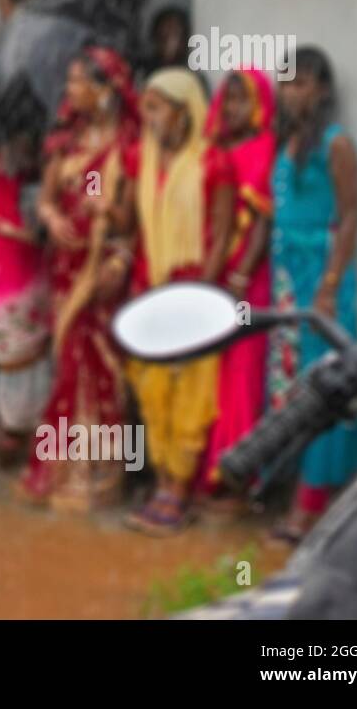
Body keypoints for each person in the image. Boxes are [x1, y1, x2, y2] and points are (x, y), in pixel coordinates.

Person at [19, 47, 139, 512]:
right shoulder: (66, 143)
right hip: (66, 266)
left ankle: (100, 474)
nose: (69, 91)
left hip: (102, 269)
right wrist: (51, 220)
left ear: (104, 91)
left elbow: (133, 220)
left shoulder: (127, 148)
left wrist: (108, 215)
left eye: (77, 82)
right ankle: (60, 469)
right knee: (69, 366)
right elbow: (47, 199)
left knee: (101, 365)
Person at [124, 67, 235, 535]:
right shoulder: (140, 160)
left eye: (156, 107)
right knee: (152, 387)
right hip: (150, 288)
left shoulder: (214, 164)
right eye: (145, 107)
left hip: (193, 292)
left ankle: (180, 488)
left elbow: (223, 233)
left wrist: (199, 298)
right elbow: (131, 224)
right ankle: (162, 479)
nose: (148, 117)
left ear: (184, 111)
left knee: (191, 388)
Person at [269, 46, 357, 543]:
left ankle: (311, 504)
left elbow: (350, 216)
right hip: (286, 281)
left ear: (323, 89)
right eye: (285, 83)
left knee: (322, 387)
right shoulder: (284, 144)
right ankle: (296, 492)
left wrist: (328, 286)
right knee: (291, 387)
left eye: (301, 83)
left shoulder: (336, 144)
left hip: (323, 281)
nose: (291, 93)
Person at [200, 67, 276, 506]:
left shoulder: (262, 148)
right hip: (216, 272)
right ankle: (214, 467)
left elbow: (262, 222)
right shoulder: (219, 150)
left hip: (246, 279)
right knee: (216, 375)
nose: (231, 109)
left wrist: (240, 275)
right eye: (227, 100)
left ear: (260, 105)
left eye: (241, 101)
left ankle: (236, 476)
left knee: (241, 377)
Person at [0, 132, 52, 455]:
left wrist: (11, 231)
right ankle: (12, 422)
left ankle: (28, 423)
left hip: (20, 257)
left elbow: (41, 233)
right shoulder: (0, 156)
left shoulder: (45, 165)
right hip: (0, 254)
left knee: (27, 336)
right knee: (6, 336)